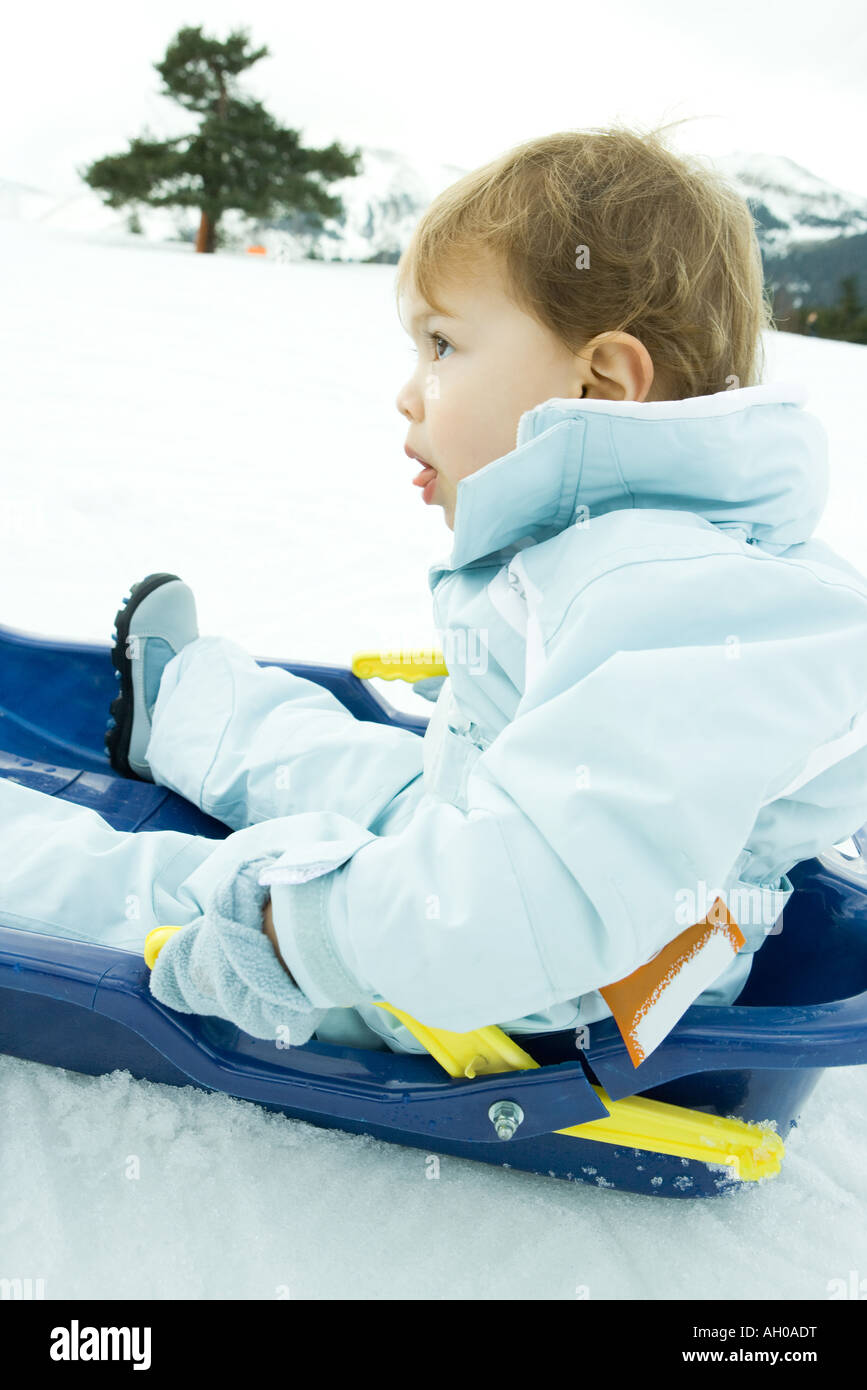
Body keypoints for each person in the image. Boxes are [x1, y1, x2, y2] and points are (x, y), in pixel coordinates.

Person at [5, 124, 867, 1059]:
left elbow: (537, 900)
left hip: (520, 983)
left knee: (172, 886)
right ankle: (187, 712)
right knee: (371, 769)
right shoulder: (648, 553)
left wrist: (291, 936)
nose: (410, 394)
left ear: (603, 381)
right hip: (490, 847)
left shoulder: (694, 607)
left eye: (445, 346)